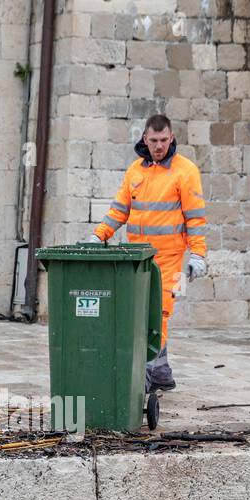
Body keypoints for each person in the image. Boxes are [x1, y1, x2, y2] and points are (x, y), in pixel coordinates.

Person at [89, 115, 208, 391]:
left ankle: (143, 376)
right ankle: (162, 372)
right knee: (140, 313)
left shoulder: (185, 171)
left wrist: (199, 255)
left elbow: (196, 218)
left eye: (164, 140)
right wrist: (99, 235)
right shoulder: (135, 171)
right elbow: (120, 210)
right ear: (145, 139)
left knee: (160, 312)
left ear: (172, 137)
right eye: (153, 141)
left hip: (171, 259)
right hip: (138, 257)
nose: (158, 146)